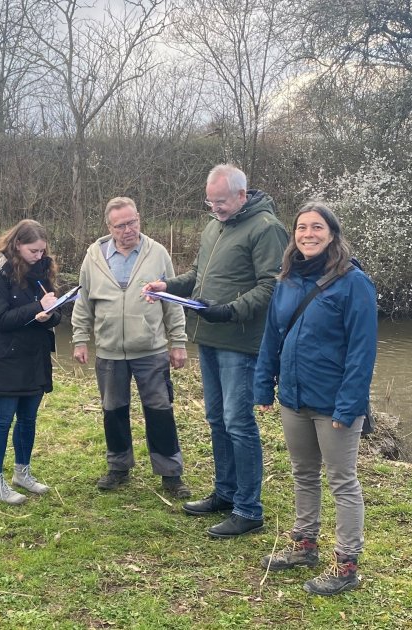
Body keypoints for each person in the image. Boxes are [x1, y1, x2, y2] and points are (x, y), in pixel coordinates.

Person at [143, 164, 287, 538]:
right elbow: (197, 276)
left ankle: (249, 509)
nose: (215, 208)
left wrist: (231, 311)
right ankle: (225, 493)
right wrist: (167, 285)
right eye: (210, 202)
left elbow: (273, 286)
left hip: (239, 343)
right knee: (217, 419)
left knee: (239, 423)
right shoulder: (214, 226)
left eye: (220, 202)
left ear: (242, 195)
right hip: (208, 336)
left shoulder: (267, 228)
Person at [252, 202, 377, 596]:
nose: (308, 234)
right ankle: (304, 546)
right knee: (303, 472)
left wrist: (348, 405)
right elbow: (273, 336)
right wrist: (263, 387)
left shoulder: (353, 282)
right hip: (293, 397)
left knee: (342, 481)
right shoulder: (287, 279)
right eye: (302, 227)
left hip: (334, 404)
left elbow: (362, 351)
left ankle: (346, 565)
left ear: (333, 233)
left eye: (317, 227)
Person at [72, 196, 191, 498]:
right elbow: (83, 301)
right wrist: (80, 338)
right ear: (109, 227)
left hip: (150, 350)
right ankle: (118, 467)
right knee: (113, 411)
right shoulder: (94, 257)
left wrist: (177, 342)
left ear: (139, 218)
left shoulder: (157, 253)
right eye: (121, 225)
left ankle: (170, 473)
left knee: (160, 411)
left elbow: (173, 302)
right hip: (109, 351)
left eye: (133, 221)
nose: (129, 229)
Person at [0, 219, 63, 505]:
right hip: (5, 357)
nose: (39, 256)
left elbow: (56, 311)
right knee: (2, 421)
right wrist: (37, 308)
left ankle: (22, 473)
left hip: (35, 356)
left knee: (28, 418)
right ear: (17, 245)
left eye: (42, 250)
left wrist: (50, 314)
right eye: (33, 251)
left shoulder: (42, 270)